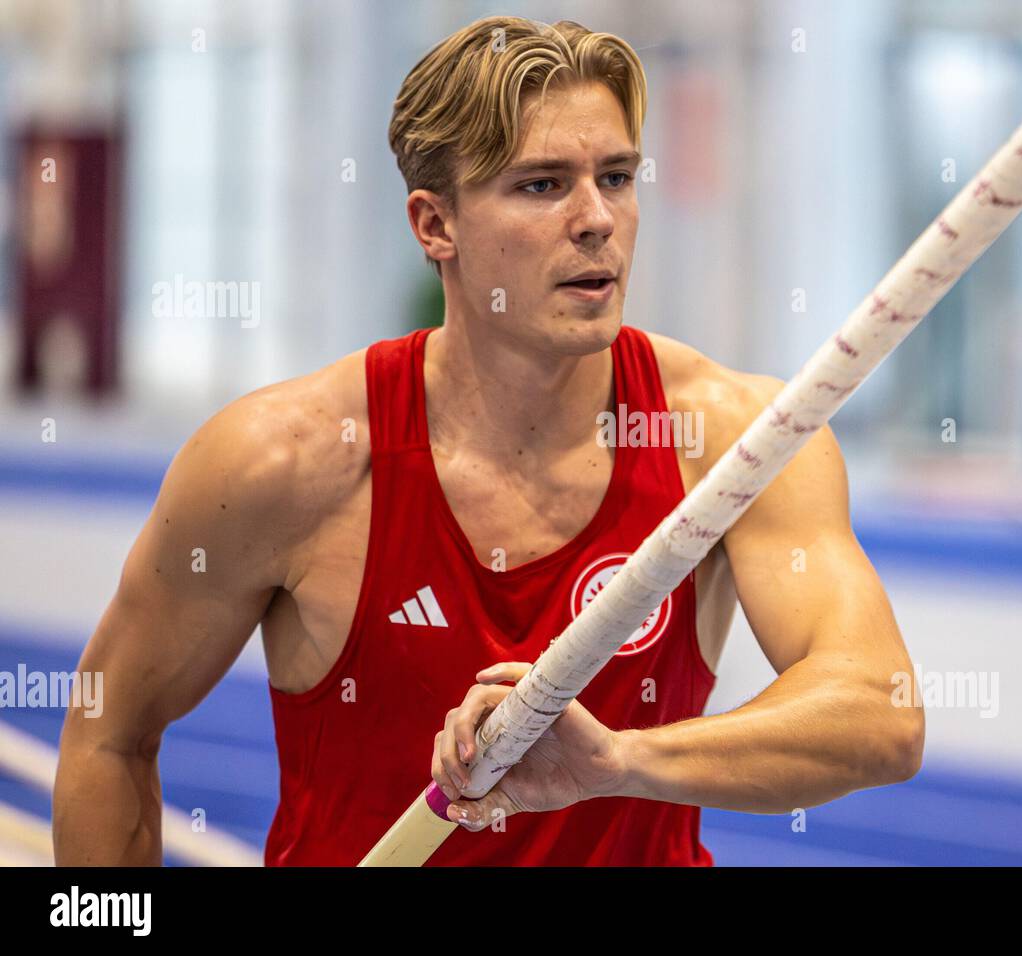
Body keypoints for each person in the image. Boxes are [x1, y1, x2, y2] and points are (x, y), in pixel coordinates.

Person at [52, 15, 922, 867]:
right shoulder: (279, 461)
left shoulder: (734, 445)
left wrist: (620, 763)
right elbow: (109, 734)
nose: (597, 220)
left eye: (616, 177)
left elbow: (880, 713)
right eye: (541, 185)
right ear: (435, 226)